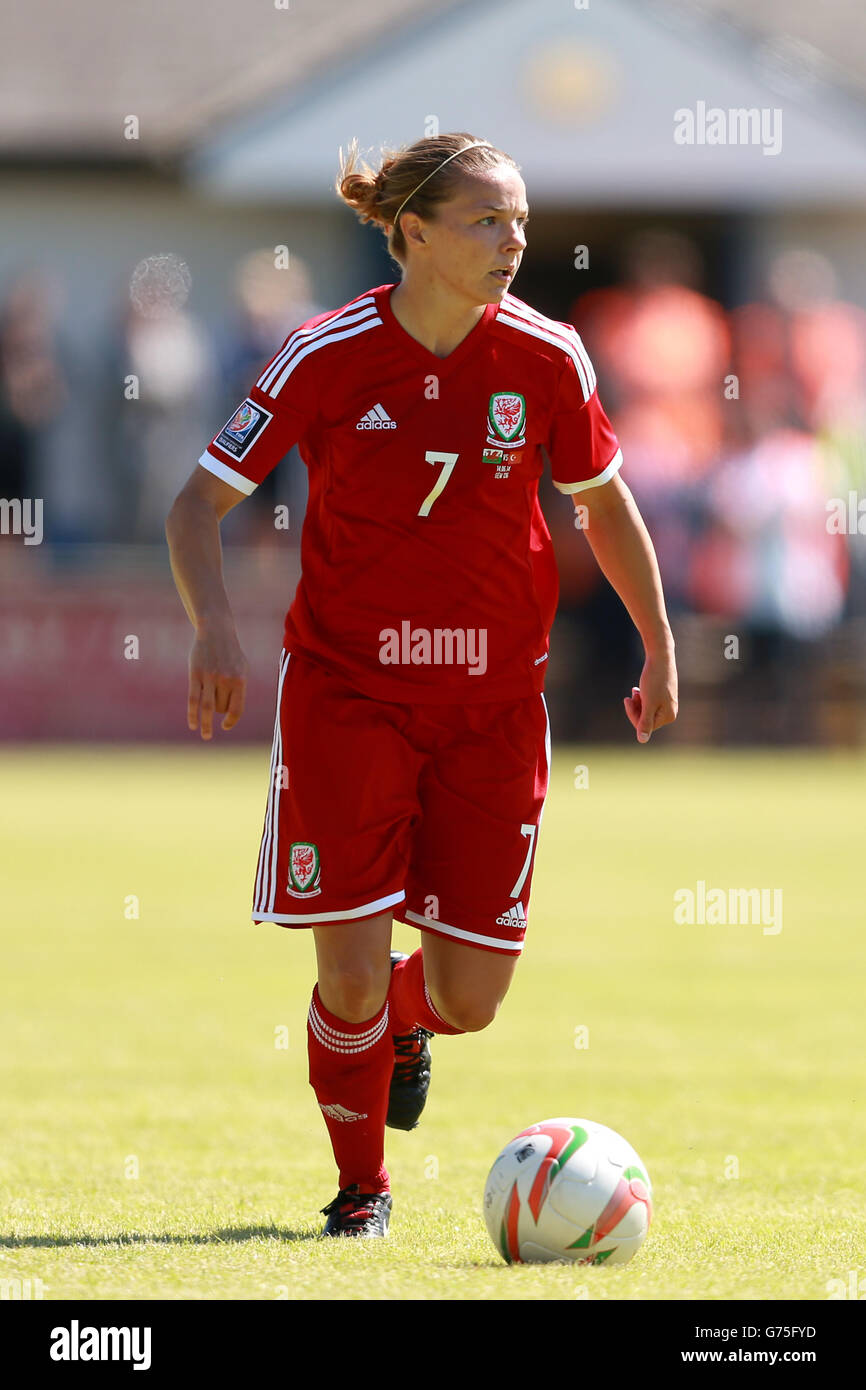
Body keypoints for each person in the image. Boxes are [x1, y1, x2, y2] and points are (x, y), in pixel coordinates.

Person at [165, 132, 678, 1238]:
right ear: (411, 233)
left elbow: (601, 500)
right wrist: (212, 628)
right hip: (348, 697)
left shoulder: (547, 356)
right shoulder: (324, 351)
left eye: (521, 220)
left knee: (469, 1002)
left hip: (494, 710)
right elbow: (195, 505)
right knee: (344, 977)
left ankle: (407, 1020)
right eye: (488, 220)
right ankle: (362, 1191)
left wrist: (659, 640)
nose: (514, 241)